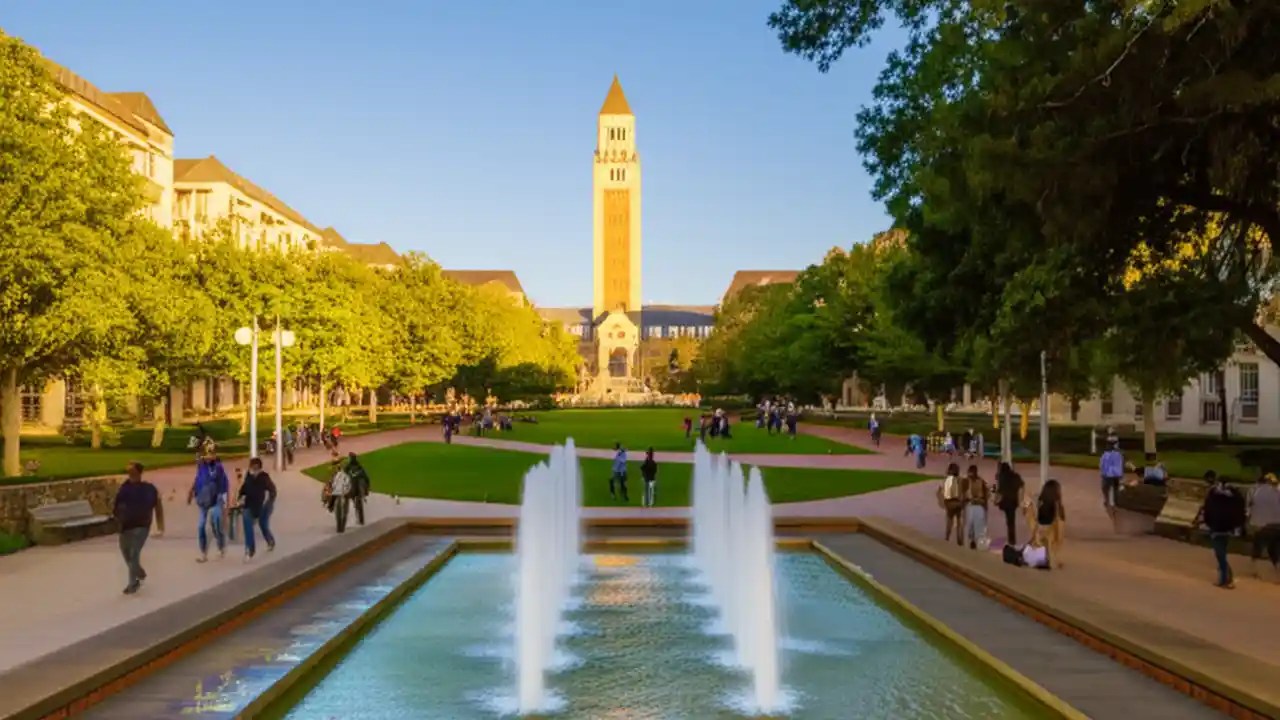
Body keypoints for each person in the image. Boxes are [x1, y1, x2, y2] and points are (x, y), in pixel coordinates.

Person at [113, 462, 163, 594]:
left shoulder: (149, 489)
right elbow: (117, 506)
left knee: (134, 554)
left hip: (141, 526)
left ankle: (132, 584)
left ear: (139, 473)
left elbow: (158, 506)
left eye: (132, 470)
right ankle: (139, 573)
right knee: (126, 554)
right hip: (125, 527)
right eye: (129, 470)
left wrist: (160, 525)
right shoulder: (124, 488)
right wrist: (117, 519)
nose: (130, 473)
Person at [1194, 471, 1246, 589]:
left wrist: (1207, 522)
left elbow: (1208, 508)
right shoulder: (1235, 494)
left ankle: (1225, 579)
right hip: (1226, 527)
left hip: (1218, 527)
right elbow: (1240, 511)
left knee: (1220, 554)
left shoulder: (1214, 493)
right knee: (1221, 553)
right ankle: (1226, 577)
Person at [188, 451, 229, 562]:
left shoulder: (218, 468)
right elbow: (197, 480)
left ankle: (220, 546)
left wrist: (225, 504)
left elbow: (224, 485)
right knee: (201, 527)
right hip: (203, 502)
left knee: (216, 524)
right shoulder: (201, 468)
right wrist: (191, 492)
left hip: (216, 500)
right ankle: (203, 552)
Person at [238, 457, 277, 560]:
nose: (253, 471)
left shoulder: (264, 478)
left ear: (259, 469)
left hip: (263, 507)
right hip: (249, 506)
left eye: (255, 469)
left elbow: (272, 491)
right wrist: (240, 497)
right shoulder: (248, 477)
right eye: (251, 468)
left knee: (262, 525)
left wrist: (268, 503)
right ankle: (250, 549)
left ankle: (270, 541)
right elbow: (244, 488)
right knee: (247, 523)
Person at [1247, 473, 1280, 581]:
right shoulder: (1277, 492)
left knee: (1258, 547)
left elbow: (1251, 507)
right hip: (1277, 526)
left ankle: (1254, 571)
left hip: (1263, 525)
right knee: (1274, 549)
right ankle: (1276, 573)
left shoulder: (1257, 491)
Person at [1034, 479, 1067, 569]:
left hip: (1041, 525)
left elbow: (1038, 513)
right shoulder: (1055, 501)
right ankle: (1056, 562)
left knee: (1043, 544)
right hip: (1050, 525)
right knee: (1053, 544)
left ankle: (1043, 560)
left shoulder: (1041, 499)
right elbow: (1058, 515)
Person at [994, 462, 1025, 546]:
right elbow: (1022, 485)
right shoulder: (1015, 476)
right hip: (1013, 501)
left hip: (1005, 502)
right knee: (1011, 521)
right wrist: (1020, 499)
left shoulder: (1002, 477)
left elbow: (999, 491)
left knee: (1009, 521)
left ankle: (1011, 539)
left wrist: (996, 500)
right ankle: (1012, 539)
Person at [961, 465, 989, 550]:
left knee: (979, 526)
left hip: (979, 506)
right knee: (970, 525)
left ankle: (978, 543)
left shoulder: (981, 482)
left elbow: (985, 495)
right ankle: (972, 540)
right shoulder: (966, 481)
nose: (970, 475)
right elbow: (963, 495)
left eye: (972, 473)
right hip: (970, 505)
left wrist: (985, 506)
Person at [937, 463, 965, 546]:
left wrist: (943, 502)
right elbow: (964, 492)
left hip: (950, 503)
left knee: (949, 521)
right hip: (959, 503)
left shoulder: (947, 480)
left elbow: (942, 492)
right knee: (959, 522)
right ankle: (960, 540)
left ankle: (947, 537)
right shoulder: (960, 480)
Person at [1099, 441, 1125, 529]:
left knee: (1106, 498)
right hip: (1115, 478)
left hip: (1107, 477)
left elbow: (1102, 467)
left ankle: (1112, 514)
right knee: (1115, 498)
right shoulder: (1119, 455)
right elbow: (1121, 467)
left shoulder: (1104, 455)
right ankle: (1116, 517)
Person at [346, 452, 372, 526]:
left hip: (354, 489)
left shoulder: (348, 467)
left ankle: (356, 501)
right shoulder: (359, 466)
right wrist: (367, 488)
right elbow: (366, 478)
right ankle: (362, 495)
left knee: (355, 498)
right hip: (360, 489)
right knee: (358, 501)